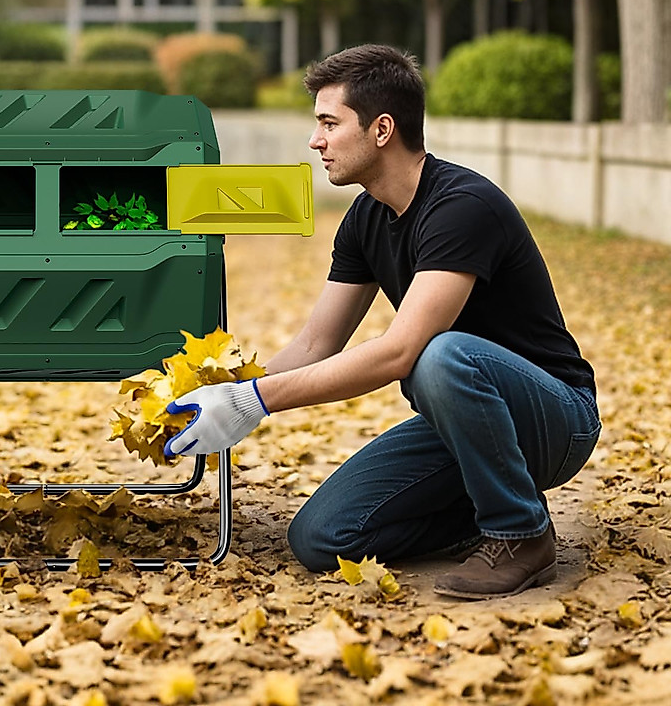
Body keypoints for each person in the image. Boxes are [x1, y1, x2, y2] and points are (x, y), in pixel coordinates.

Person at [164, 44, 599, 599]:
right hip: (462, 422)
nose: (315, 140)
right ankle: (489, 509)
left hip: (554, 418)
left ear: (382, 129)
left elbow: (401, 352)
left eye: (329, 122)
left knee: (437, 355)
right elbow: (317, 342)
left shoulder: (462, 206)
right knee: (322, 538)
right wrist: (228, 392)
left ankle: (520, 534)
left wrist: (259, 400)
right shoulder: (365, 217)